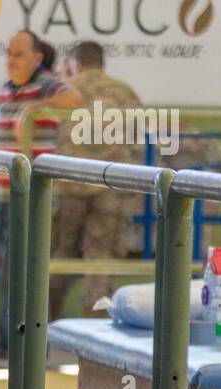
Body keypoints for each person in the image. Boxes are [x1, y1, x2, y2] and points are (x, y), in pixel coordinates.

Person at [0, 29, 81, 366]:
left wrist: (35, 108)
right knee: (10, 274)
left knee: (22, 274)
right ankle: (12, 346)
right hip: (1, 195)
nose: (11, 60)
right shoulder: (4, 90)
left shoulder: (46, 84)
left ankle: (17, 349)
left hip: (29, 198)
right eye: (8, 53)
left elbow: (74, 100)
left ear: (37, 58)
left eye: (18, 54)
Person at [49, 40, 143, 320]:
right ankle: (93, 335)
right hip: (110, 187)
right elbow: (138, 138)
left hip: (68, 185)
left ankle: (43, 325)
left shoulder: (62, 90)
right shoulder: (123, 92)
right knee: (101, 258)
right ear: (102, 63)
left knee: (60, 253)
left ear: (75, 62)